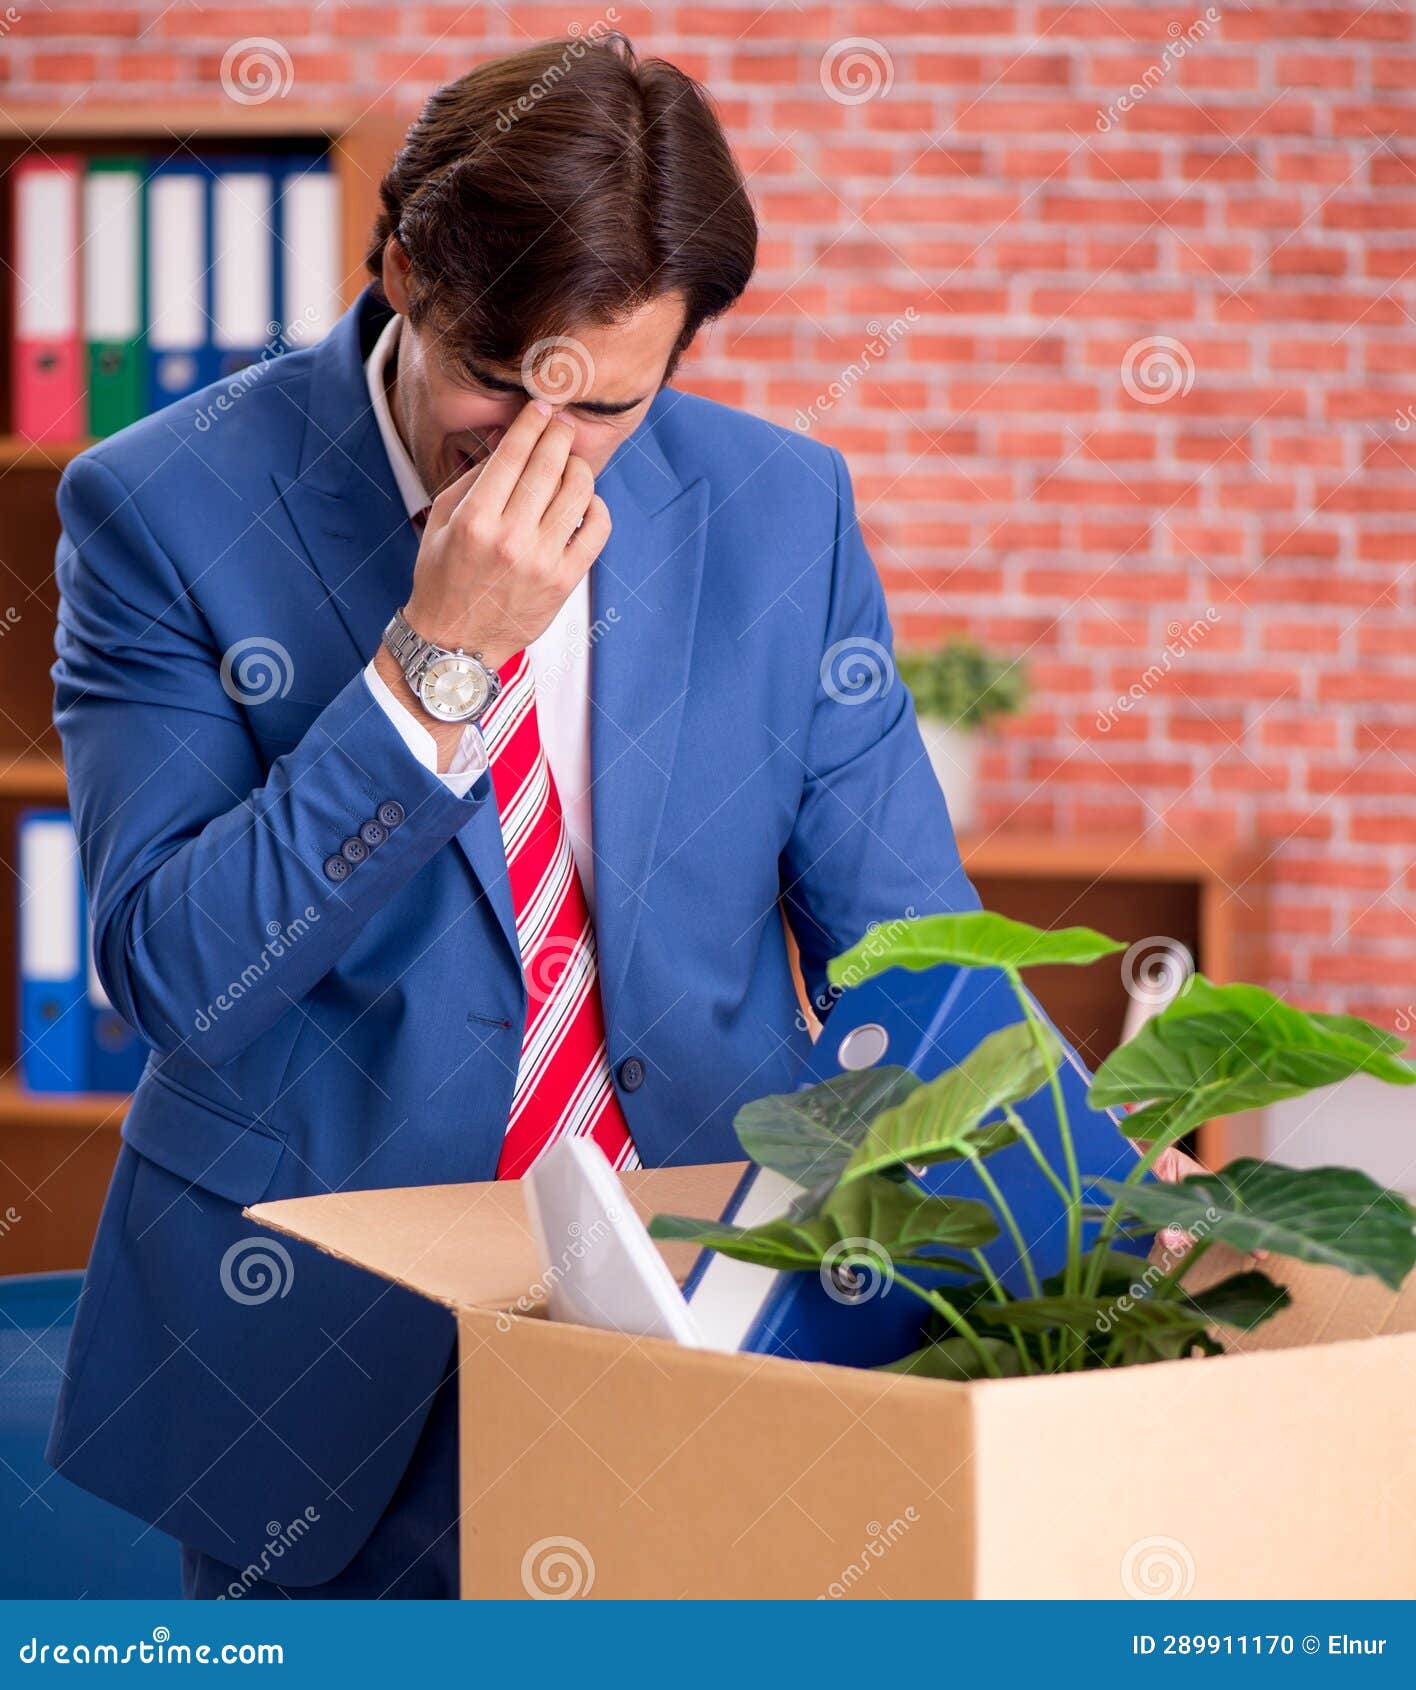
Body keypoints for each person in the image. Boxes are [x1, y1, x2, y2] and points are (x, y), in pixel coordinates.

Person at [45, 34, 984, 1597]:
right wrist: (434, 665)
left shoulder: (780, 505)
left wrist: (1061, 1183)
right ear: (407, 268)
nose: (540, 444)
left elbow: (912, 945)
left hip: (718, 1326)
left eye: (606, 402)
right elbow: (178, 976)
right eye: (498, 377)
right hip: (327, 1345)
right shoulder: (165, 507)